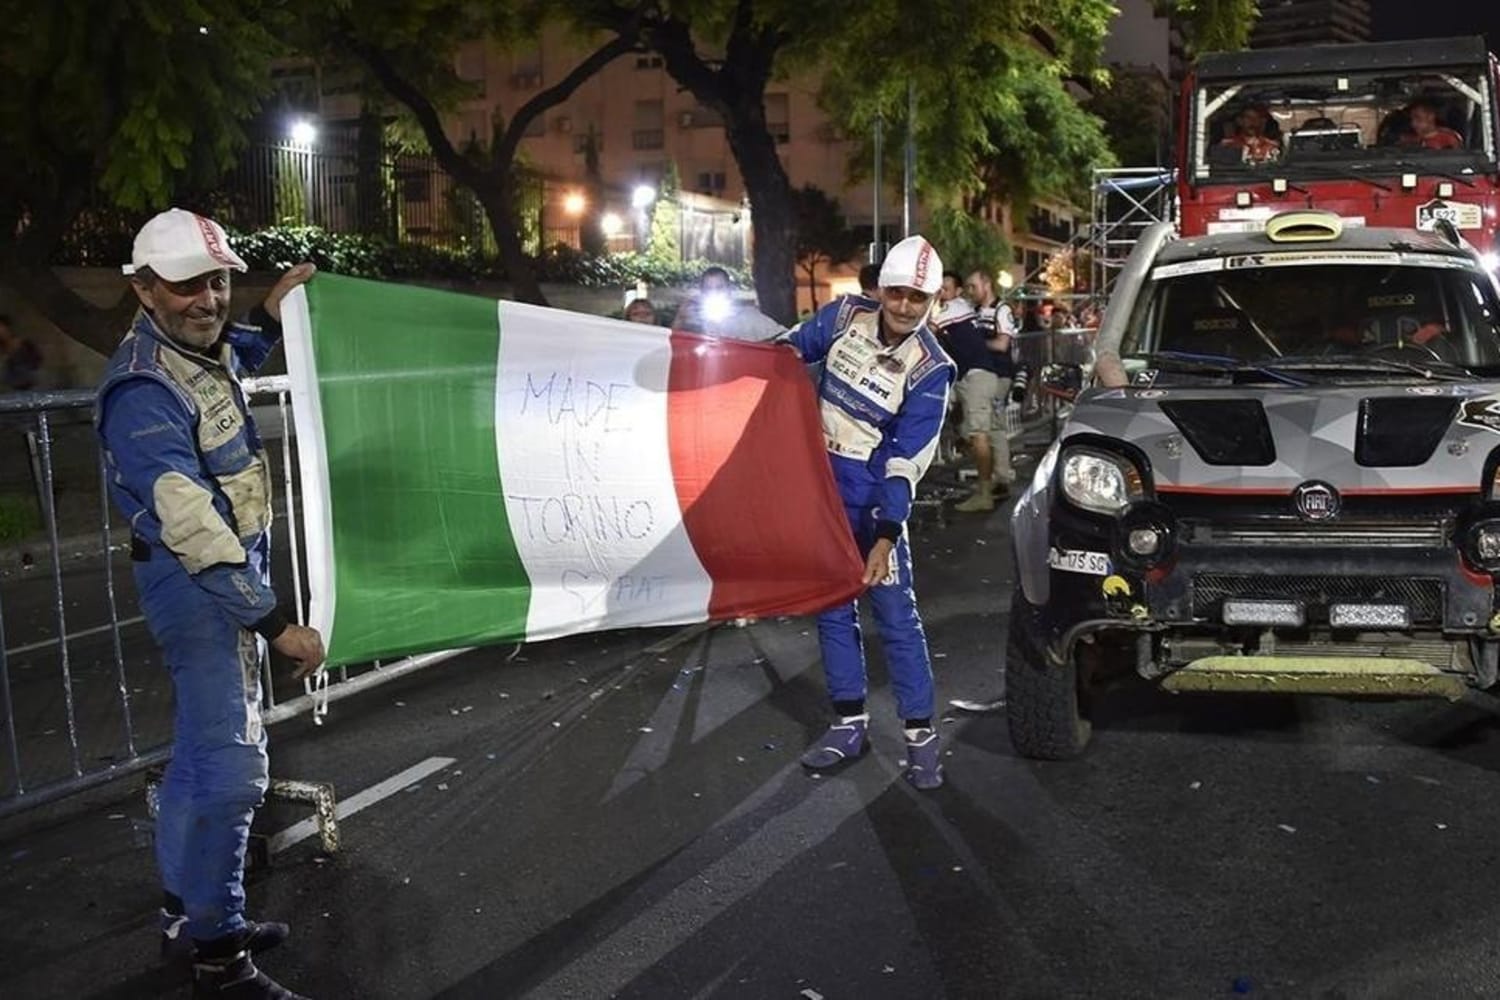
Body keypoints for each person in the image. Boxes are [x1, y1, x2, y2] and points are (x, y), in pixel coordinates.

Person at [96, 208, 325, 1000]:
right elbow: (194, 528)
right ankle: (220, 957)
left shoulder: (194, 348)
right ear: (144, 288)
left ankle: (185, 918)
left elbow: (237, 356)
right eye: (189, 283)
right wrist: (275, 624)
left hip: (218, 573)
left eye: (219, 280)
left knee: (197, 760)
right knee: (232, 769)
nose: (209, 297)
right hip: (199, 582)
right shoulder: (142, 389)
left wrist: (268, 310)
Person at [780, 235, 956, 790]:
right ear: (880, 288)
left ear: (933, 301)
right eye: (898, 293)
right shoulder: (845, 315)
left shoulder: (933, 368)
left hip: (876, 493)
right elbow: (789, 351)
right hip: (820, 483)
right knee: (833, 609)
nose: (905, 307)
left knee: (896, 617)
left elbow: (907, 461)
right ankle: (848, 723)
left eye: (918, 299)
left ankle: (921, 737)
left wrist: (885, 535)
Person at [960, 268, 1019, 506]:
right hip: (984, 374)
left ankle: (1001, 478)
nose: (971, 292)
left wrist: (977, 346)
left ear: (987, 284)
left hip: (998, 374)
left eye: (974, 286)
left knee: (993, 426)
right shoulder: (973, 312)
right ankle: (997, 476)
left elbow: (1003, 344)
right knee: (986, 427)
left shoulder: (1002, 310)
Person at [671, 265, 783, 341]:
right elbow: (671, 346)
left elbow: (783, 339)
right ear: (702, 293)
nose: (714, 294)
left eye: (719, 288)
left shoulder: (750, 318)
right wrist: (680, 319)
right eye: (708, 289)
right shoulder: (693, 322)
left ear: (729, 290)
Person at [1397, 99, 1463, 150]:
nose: (1413, 123)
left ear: (1431, 116)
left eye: (1418, 118)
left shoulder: (1449, 138)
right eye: (1411, 119)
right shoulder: (1407, 139)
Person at [0, 314, 43, 391]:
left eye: (1, 327)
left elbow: (36, 365)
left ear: (7, 328)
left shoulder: (25, 346)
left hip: (31, 388)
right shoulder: (3, 351)